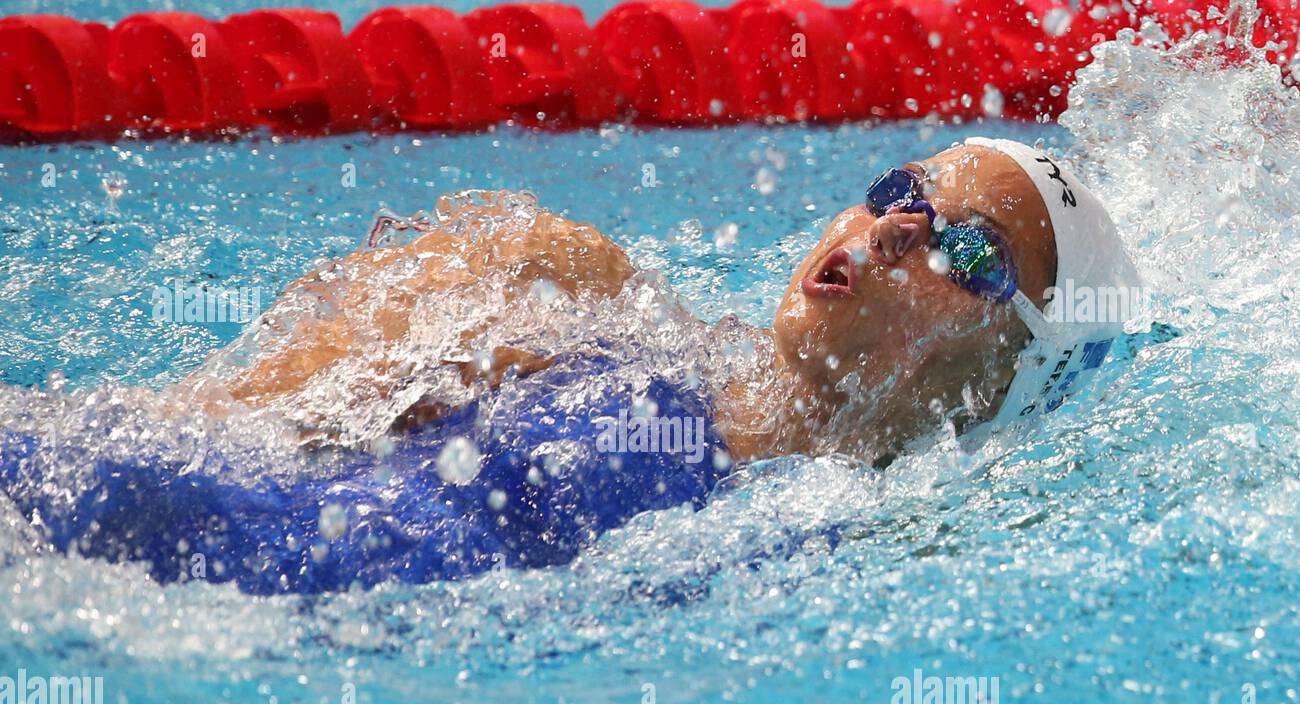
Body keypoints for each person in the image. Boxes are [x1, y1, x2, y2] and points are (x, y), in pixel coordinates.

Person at [0, 138, 1141, 593]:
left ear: (996, 386)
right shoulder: (633, 328)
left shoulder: (811, 546)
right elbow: (266, 414)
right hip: (108, 490)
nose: (894, 228)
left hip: (188, 598)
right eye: (903, 188)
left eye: (966, 252)